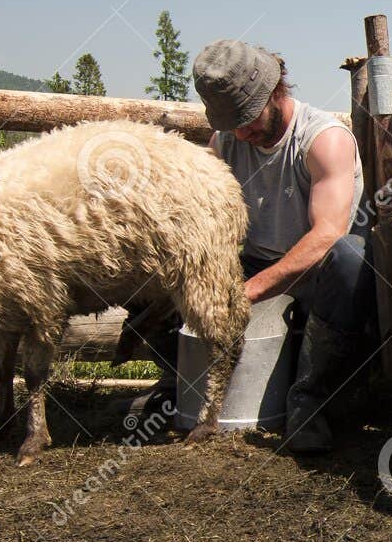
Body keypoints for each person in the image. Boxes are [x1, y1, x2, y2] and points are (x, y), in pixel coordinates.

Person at [127, 40, 375, 452]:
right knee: (147, 263)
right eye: (232, 124)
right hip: (251, 260)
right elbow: (201, 217)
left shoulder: (323, 139)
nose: (242, 132)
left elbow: (327, 233)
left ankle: (309, 400)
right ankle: (178, 382)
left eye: (248, 118)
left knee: (353, 258)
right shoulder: (226, 142)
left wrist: (248, 292)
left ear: (277, 91)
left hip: (318, 273)